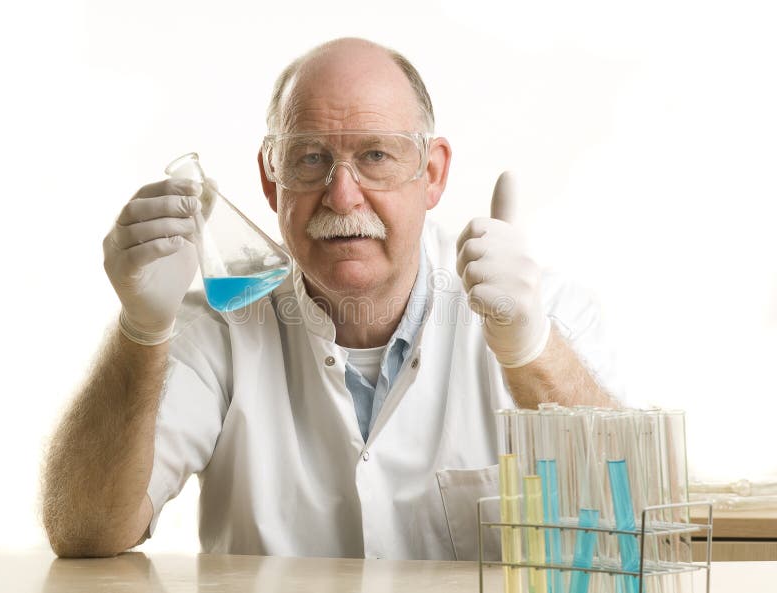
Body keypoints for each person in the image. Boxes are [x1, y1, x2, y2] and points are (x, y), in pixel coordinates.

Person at [42, 37, 621, 560]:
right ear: (272, 180)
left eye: (375, 156)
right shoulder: (218, 330)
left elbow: (630, 517)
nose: (342, 196)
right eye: (311, 157)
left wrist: (530, 352)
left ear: (434, 172)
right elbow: (86, 532)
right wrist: (140, 330)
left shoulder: (544, 316)